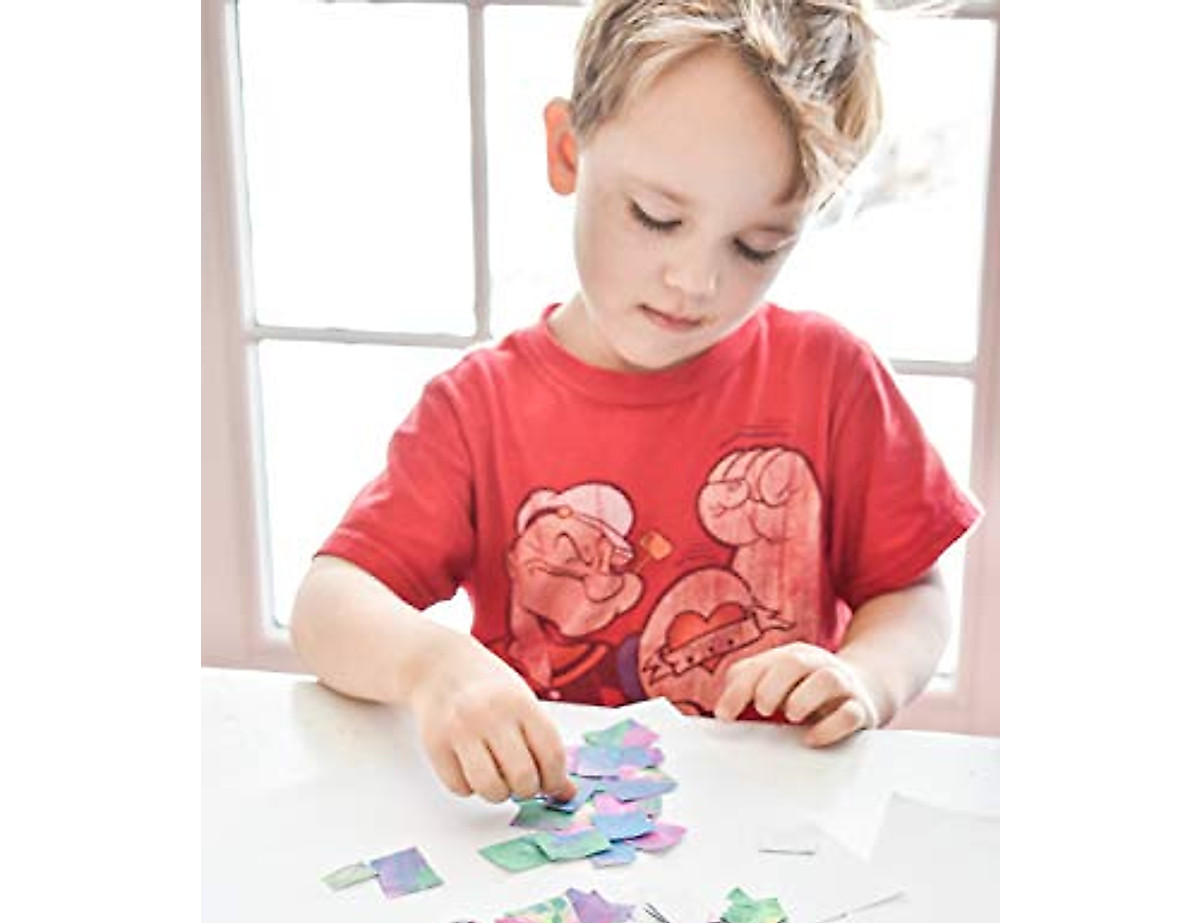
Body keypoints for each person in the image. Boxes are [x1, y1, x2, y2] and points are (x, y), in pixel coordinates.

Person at [290, 0, 982, 805]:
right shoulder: (479, 410)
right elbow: (328, 604)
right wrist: (432, 667)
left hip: (776, 829)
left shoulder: (832, 378)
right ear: (566, 150)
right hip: (557, 837)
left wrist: (863, 676)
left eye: (757, 245)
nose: (696, 281)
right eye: (656, 217)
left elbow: (911, 594)